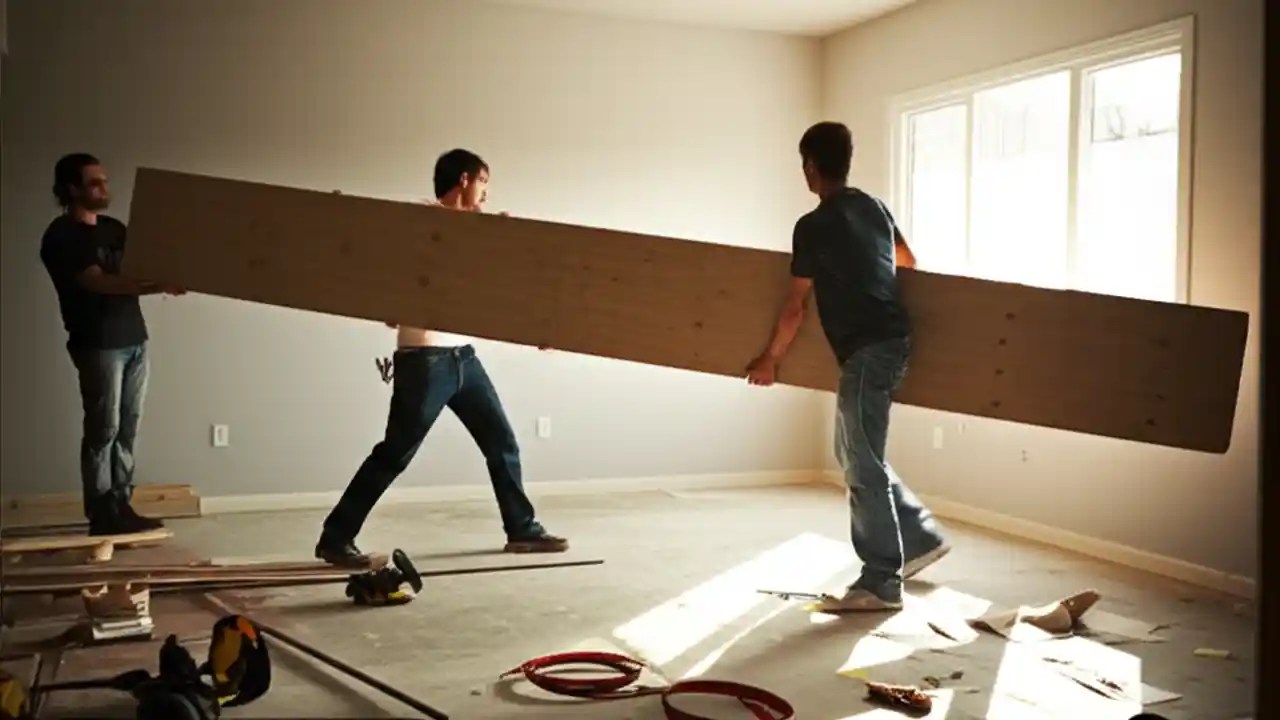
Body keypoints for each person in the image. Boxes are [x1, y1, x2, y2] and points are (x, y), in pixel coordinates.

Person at [315, 148, 568, 566]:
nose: (487, 194)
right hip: (426, 359)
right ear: (465, 179)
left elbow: (496, 290)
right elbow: (413, 243)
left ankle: (522, 529)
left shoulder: (472, 237)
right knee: (395, 453)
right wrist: (484, 228)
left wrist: (535, 328)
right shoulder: (422, 219)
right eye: (484, 182)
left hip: (463, 357)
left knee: (501, 441)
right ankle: (335, 537)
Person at [745, 122, 949, 611]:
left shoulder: (812, 226)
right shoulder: (873, 207)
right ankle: (917, 537)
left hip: (868, 348)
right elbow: (908, 260)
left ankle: (881, 580)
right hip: (893, 340)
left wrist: (770, 359)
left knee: (860, 460)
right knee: (853, 450)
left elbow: (795, 306)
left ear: (811, 166)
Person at [39, 153, 184, 535]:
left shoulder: (114, 229)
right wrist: (154, 286)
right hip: (98, 344)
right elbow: (98, 281)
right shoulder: (61, 236)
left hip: (135, 339)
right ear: (72, 189)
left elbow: (145, 264)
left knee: (128, 428)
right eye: (94, 182)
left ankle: (121, 504)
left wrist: (169, 276)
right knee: (104, 428)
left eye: (105, 180)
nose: (105, 188)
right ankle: (101, 512)